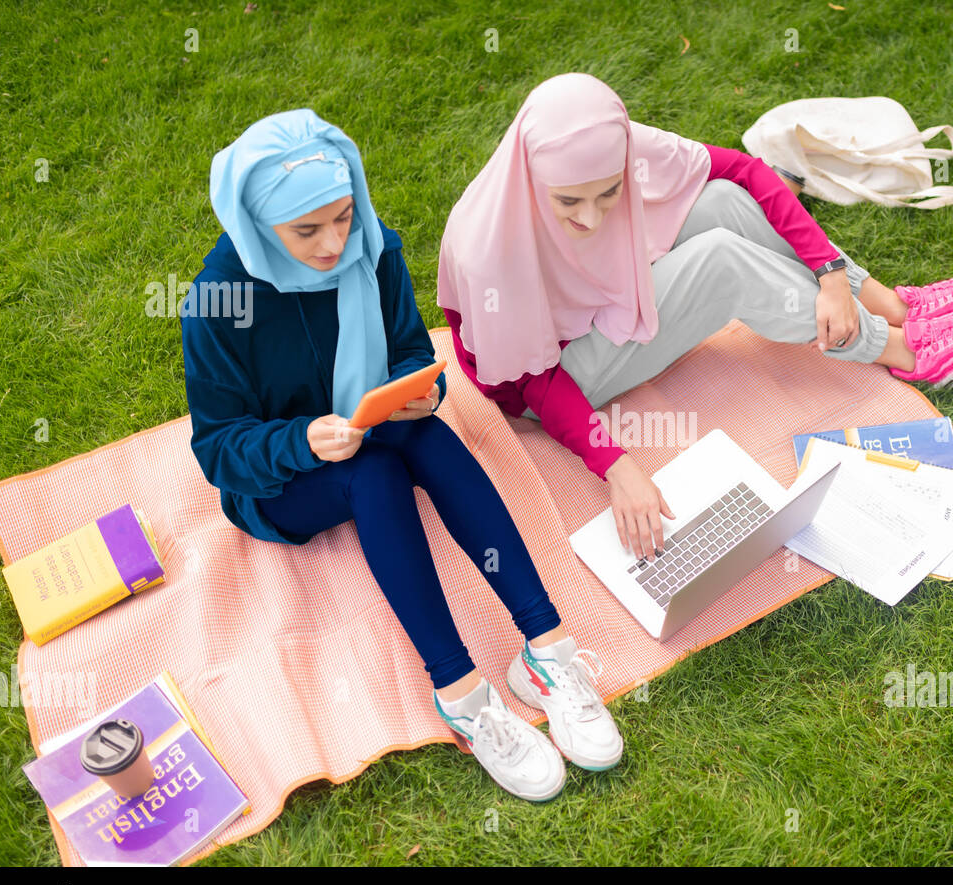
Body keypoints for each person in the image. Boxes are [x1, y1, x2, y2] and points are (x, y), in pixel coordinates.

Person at [179, 109, 623, 803]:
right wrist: (301, 440)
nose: (334, 244)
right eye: (306, 231)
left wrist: (425, 388)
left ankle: (548, 651)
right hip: (279, 481)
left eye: (343, 216)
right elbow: (218, 451)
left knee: (425, 434)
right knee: (372, 470)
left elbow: (413, 352)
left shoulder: (371, 248)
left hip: (374, 426)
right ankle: (462, 694)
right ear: (258, 225)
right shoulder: (218, 302)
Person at [438, 73, 953, 564]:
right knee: (719, 262)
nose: (591, 217)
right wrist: (616, 466)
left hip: (591, 309)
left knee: (720, 204)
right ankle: (901, 351)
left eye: (609, 193)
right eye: (569, 202)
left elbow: (744, 172)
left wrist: (833, 272)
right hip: (549, 379)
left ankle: (892, 306)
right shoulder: (492, 249)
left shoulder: (614, 142)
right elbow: (529, 382)